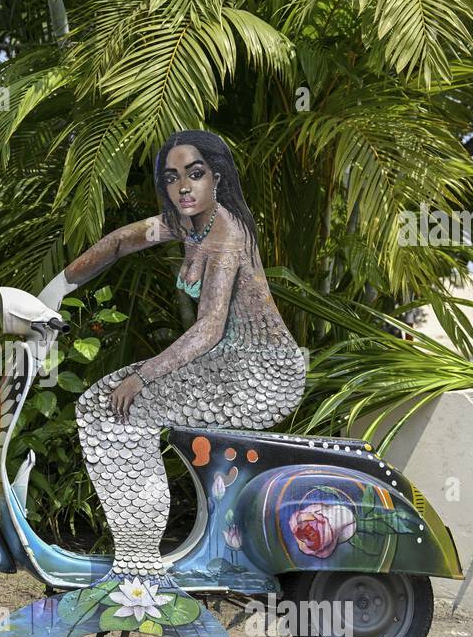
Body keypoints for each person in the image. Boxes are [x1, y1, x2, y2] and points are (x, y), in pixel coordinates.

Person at [37, 129, 306, 583]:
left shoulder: (224, 234)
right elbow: (121, 242)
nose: (183, 186)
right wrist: (57, 289)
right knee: (106, 404)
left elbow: (208, 328)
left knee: (110, 410)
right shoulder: (188, 223)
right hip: (230, 365)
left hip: (262, 375)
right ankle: (141, 557)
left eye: (195, 174)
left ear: (217, 178)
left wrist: (141, 378)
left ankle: (140, 564)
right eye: (171, 178)